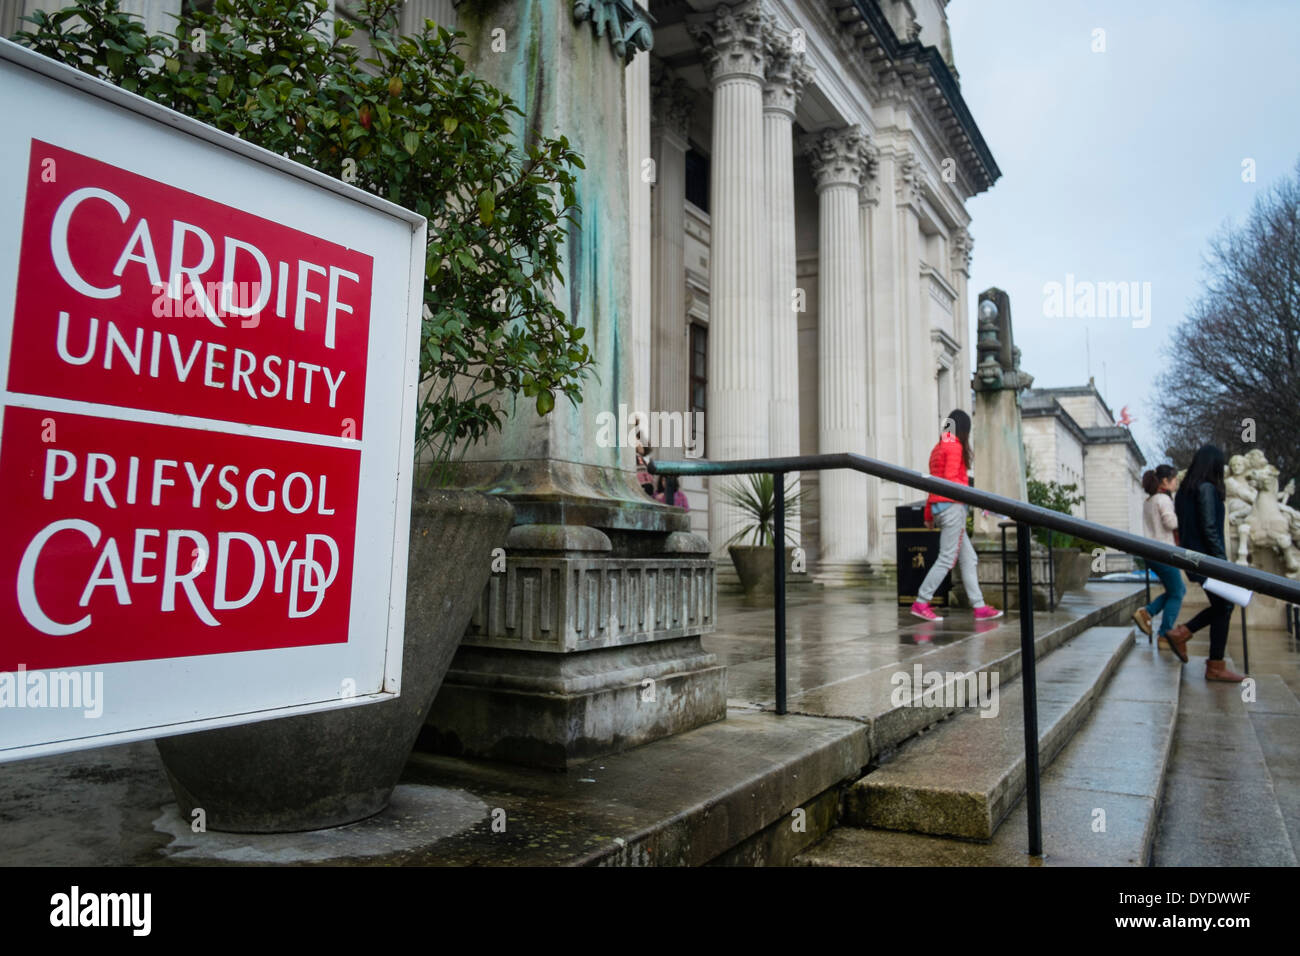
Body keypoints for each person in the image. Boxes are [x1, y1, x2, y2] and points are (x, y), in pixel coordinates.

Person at [910, 410, 1003, 622]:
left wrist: (928, 514)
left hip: (940, 508)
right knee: (946, 559)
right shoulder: (954, 446)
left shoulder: (938, 447)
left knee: (968, 558)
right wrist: (976, 499)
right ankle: (921, 602)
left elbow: (931, 483)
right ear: (964, 428)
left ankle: (979, 607)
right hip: (952, 507)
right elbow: (951, 482)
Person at [1165, 444, 1245, 681]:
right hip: (1208, 560)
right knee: (1225, 606)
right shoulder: (1207, 489)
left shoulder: (1184, 492)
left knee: (1224, 606)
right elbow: (1210, 529)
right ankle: (1213, 664)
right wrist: (1223, 563)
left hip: (1193, 558)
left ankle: (1185, 636)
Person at [1132, 465, 1187, 650]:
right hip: (1164, 552)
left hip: (1151, 552)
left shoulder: (1149, 500)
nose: (1176, 482)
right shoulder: (1163, 499)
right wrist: (1184, 518)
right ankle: (1163, 634)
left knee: (1175, 591)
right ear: (1165, 481)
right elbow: (1170, 522)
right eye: (1174, 479)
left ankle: (1148, 615)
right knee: (1178, 592)